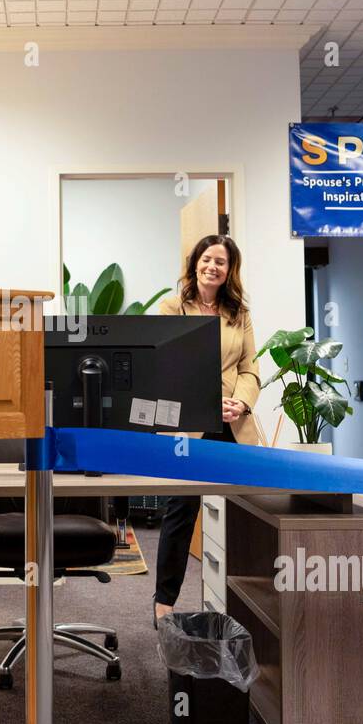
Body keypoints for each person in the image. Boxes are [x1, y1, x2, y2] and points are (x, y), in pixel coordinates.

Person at [152, 234, 261, 625]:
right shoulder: (172, 307)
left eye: (221, 261)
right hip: (189, 422)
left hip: (234, 423)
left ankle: (246, 600)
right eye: (207, 259)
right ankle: (164, 602)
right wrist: (206, 401)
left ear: (230, 270)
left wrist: (242, 403)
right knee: (181, 509)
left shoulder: (240, 314)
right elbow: (164, 365)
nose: (213, 266)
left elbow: (250, 369)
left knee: (248, 510)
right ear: (195, 263)